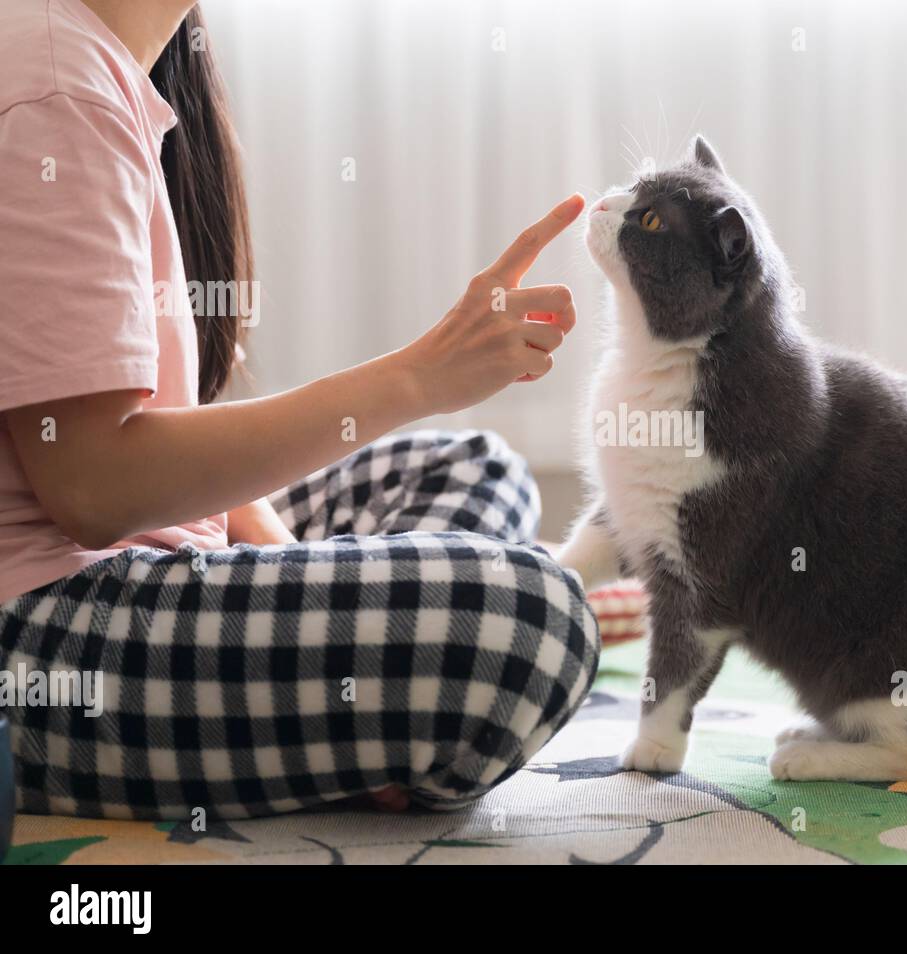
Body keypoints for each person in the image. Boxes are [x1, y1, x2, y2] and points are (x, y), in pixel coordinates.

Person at [0, 0, 599, 819]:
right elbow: (96, 486)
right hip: (43, 642)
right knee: (533, 616)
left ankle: (361, 720)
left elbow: (163, 445)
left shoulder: (98, 65)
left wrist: (292, 576)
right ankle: (379, 726)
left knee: (472, 467)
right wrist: (420, 375)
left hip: (141, 563)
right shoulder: (57, 83)